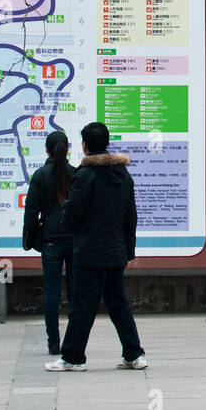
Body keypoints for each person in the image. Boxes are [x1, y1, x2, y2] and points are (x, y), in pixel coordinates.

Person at [46, 122, 146, 372]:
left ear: (85, 145)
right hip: (115, 251)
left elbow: (71, 215)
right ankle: (134, 354)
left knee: (83, 305)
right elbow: (130, 215)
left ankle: (72, 357)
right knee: (117, 303)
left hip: (90, 252)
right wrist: (128, 250)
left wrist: (68, 211)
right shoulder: (122, 174)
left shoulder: (86, 175)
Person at [22, 130, 77, 355]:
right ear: (68, 148)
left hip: (51, 241)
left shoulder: (40, 175)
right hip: (74, 240)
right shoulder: (76, 174)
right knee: (75, 293)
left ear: (47, 149)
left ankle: (53, 341)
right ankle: (73, 340)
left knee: (52, 293)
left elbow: (31, 210)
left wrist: (27, 238)